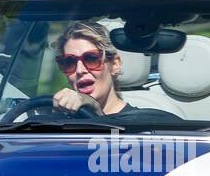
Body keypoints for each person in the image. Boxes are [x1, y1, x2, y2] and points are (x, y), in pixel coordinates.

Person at [50, 21, 180, 121]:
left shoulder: (150, 122)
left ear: (115, 65)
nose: (79, 70)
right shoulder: (53, 124)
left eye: (91, 58)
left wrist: (97, 113)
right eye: (69, 62)